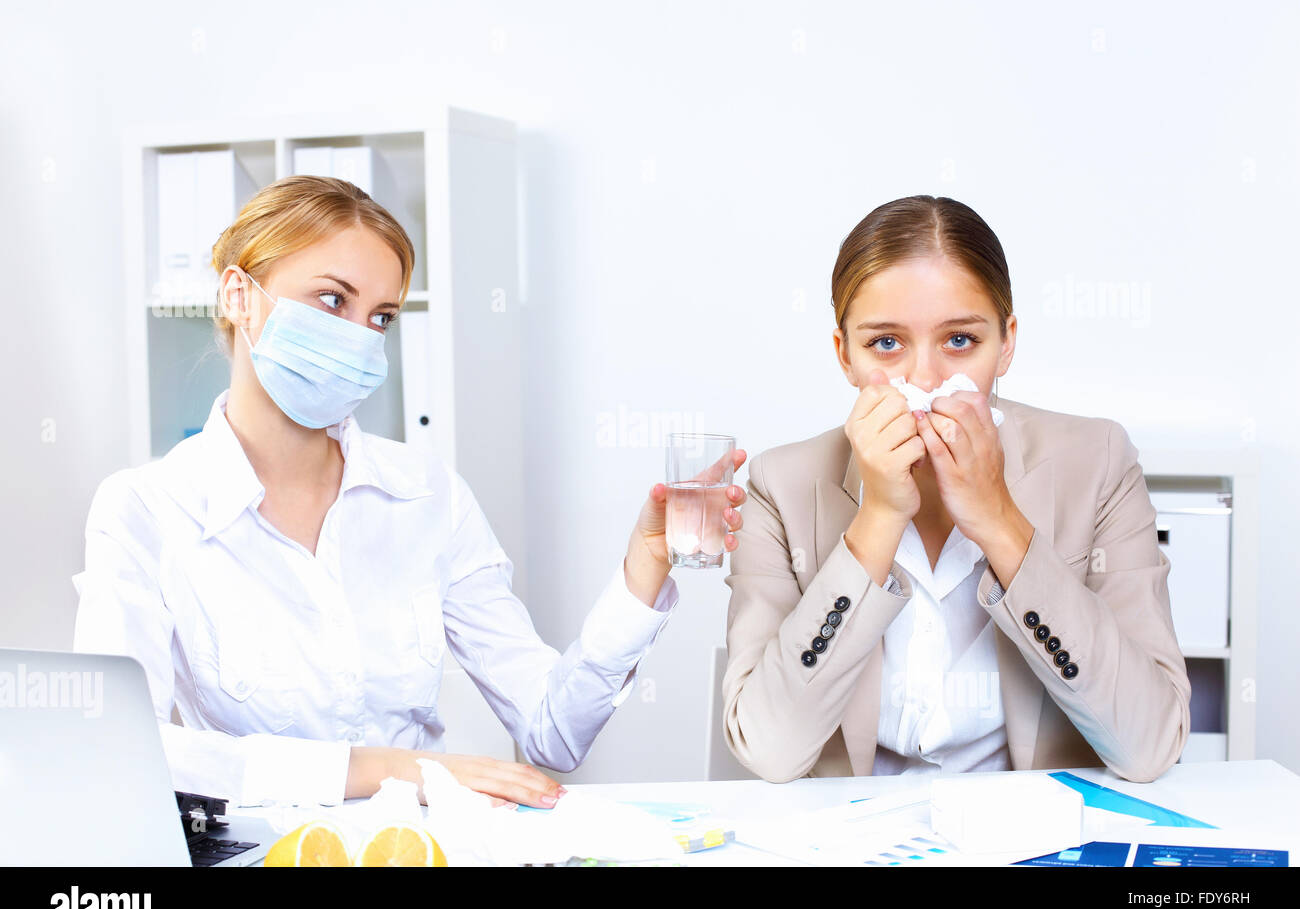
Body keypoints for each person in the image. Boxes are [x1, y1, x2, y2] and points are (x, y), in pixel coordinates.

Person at [72, 175, 747, 809]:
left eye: (381, 317)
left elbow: (552, 731)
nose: (358, 339)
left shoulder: (428, 497)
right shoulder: (145, 510)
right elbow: (120, 752)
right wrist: (383, 769)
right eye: (333, 300)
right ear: (239, 295)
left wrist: (643, 567)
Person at [722, 195, 1190, 784]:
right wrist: (878, 522)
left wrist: (999, 521)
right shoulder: (778, 487)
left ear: (1007, 342)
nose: (923, 379)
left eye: (960, 341)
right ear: (845, 354)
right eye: (886, 343)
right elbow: (771, 750)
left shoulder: (1097, 463)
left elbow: (1148, 746)